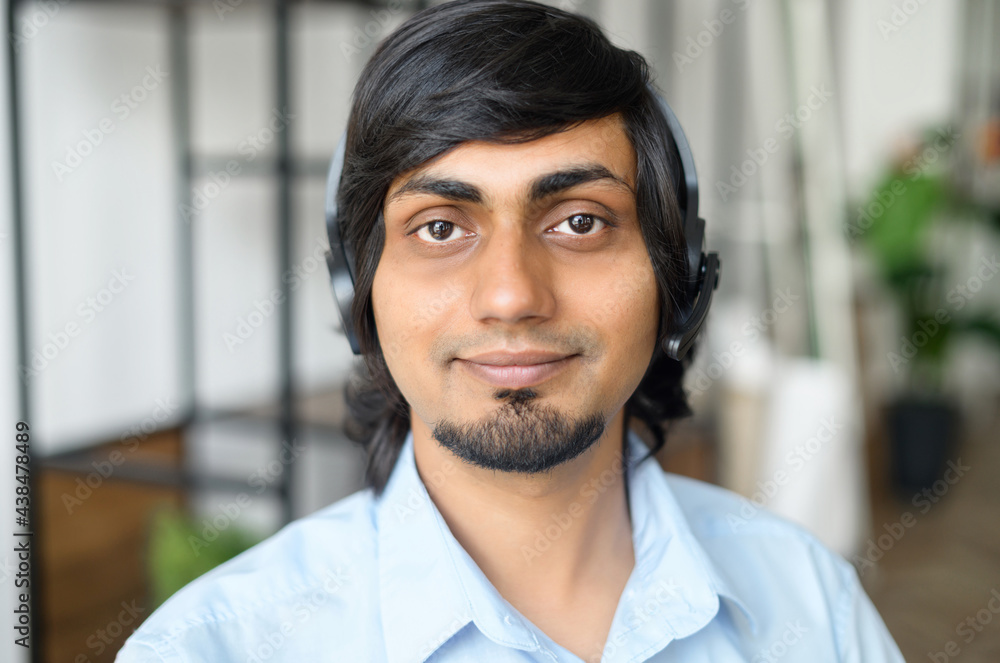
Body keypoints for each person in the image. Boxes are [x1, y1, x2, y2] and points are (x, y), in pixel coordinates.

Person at [117, 1, 905, 661]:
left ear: (678, 275)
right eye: (438, 227)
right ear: (360, 289)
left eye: (580, 220)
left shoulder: (813, 602)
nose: (510, 295)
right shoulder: (209, 646)